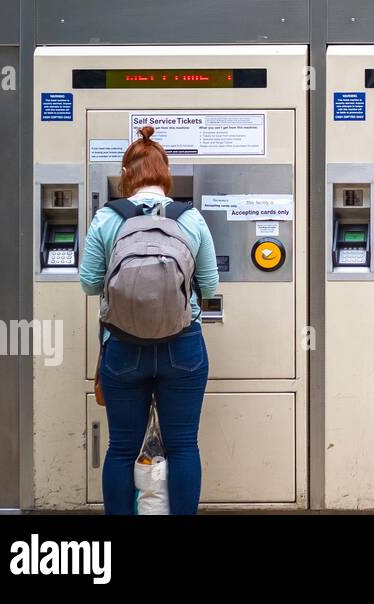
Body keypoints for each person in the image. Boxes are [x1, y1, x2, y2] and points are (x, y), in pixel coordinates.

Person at [79, 126, 219, 514]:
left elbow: (90, 283)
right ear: (166, 174)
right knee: (183, 445)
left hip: (122, 346)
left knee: (121, 447)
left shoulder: (107, 218)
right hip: (183, 346)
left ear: (126, 175)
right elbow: (209, 283)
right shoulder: (190, 219)